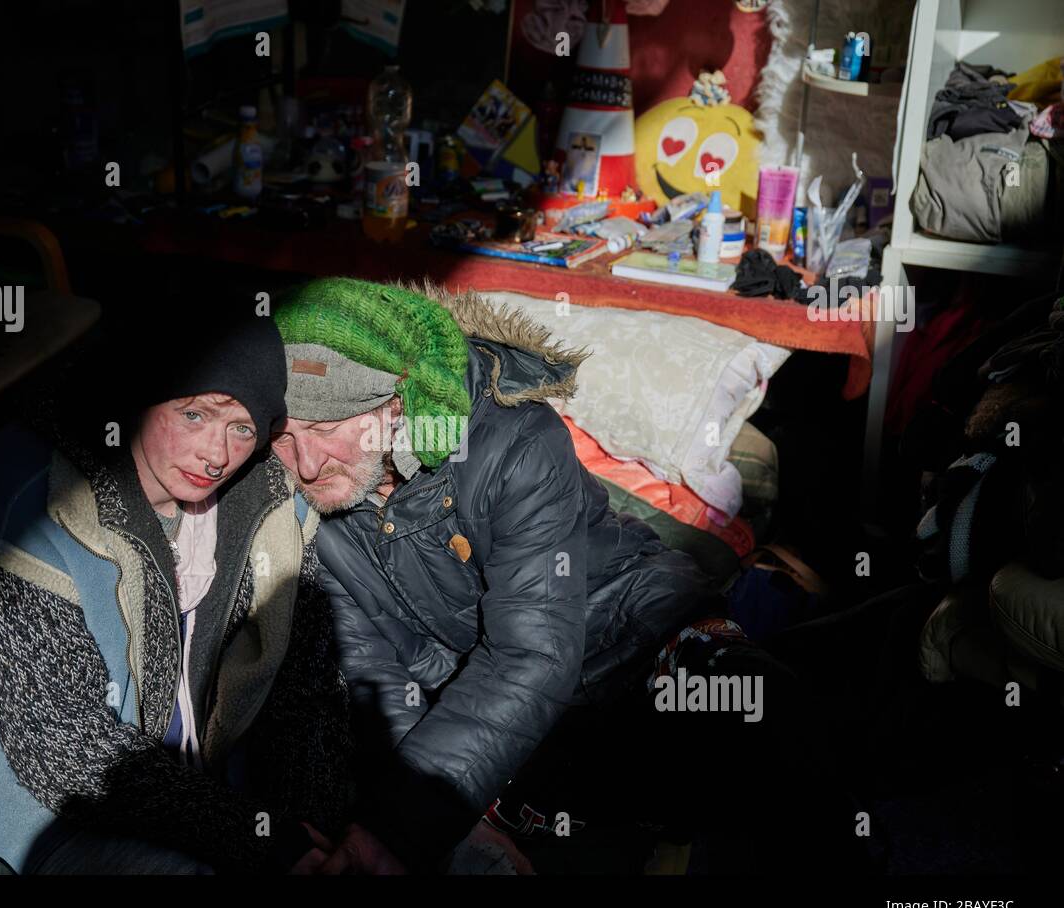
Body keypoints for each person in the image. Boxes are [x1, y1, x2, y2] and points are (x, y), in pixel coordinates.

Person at [270, 277, 866, 874]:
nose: (307, 464)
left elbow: (531, 654)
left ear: (394, 403)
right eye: (285, 437)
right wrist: (431, 819)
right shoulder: (316, 512)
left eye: (325, 429)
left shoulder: (515, 442)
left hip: (626, 635)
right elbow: (378, 678)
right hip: (504, 708)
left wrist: (397, 831)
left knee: (763, 714)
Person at [0, 306, 352, 874]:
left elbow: (303, 696)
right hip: (32, 807)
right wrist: (253, 839)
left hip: (197, 795)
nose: (216, 453)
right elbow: (63, 744)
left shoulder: (266, 510)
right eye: (193, 414)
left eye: (241, 428)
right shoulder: (28, 506)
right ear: (142, 393)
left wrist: (315, 836)